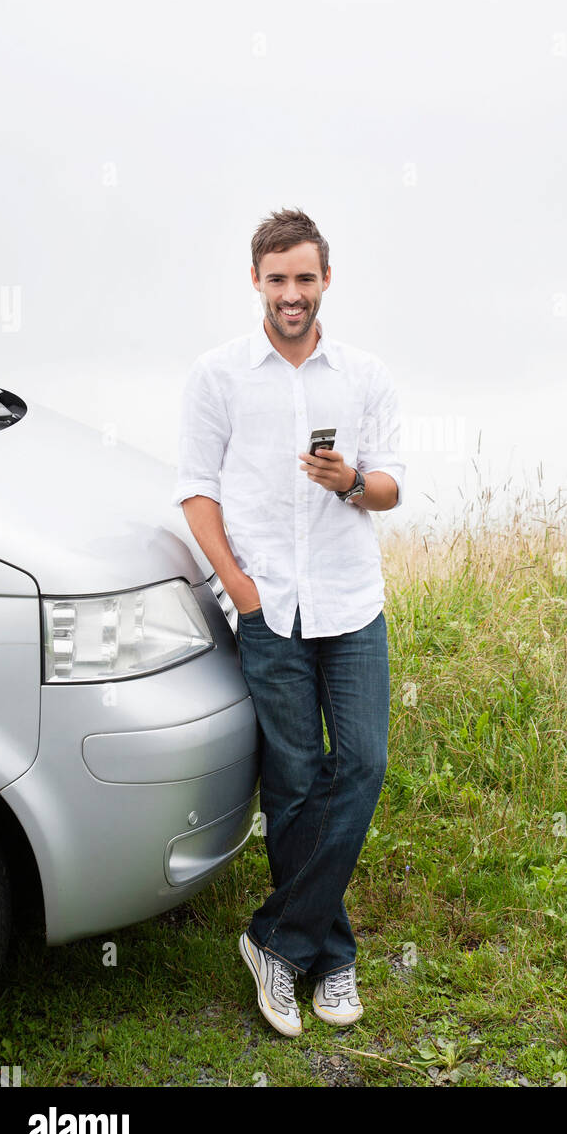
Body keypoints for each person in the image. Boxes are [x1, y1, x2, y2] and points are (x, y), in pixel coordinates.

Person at [172, 207, 405, 1037]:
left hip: (350, 603)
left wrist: (348, 480)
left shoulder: (365, 374)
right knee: (296, 780)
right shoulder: (219, 375)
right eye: (278, 280)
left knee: (366, 763)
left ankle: (275, 938)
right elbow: (197, 488)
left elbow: (391, 487)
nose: (292, 293)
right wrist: (238, 588)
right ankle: (329, 958)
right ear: (257, 282)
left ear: (326, 280)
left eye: (305, 278)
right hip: (269, 604)